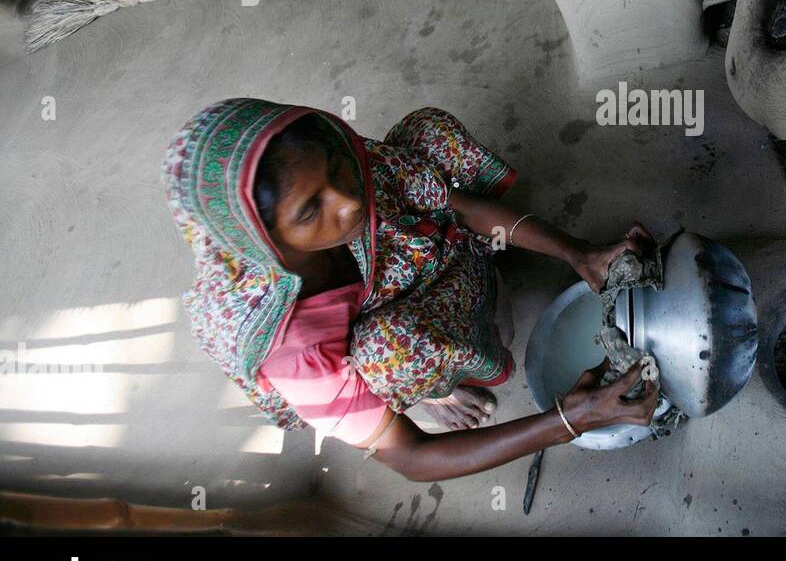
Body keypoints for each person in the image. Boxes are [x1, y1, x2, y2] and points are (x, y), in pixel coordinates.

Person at [162, 98, 658, 481]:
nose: (349, 201)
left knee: (428, 134)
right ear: (265, 243)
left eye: (335, 172)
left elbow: (460, 208)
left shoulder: (347, 171)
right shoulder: (292, 349)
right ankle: (430, 392)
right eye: (311, 210)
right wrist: (568, 420)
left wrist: (577, 253)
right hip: (374, 341)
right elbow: (412, 457)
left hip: (406, 275)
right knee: (391, 351)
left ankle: (462, 312)